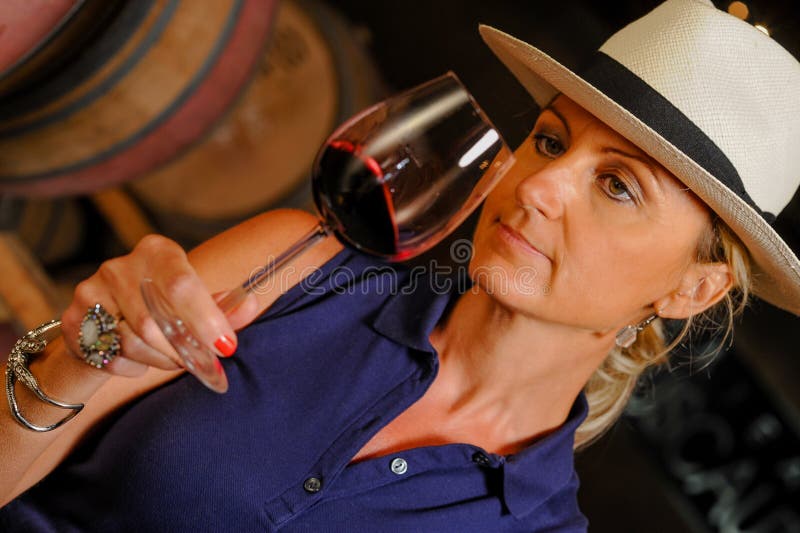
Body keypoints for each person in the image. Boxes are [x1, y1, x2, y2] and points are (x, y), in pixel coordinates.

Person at [2, 0, 799, 530]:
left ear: (693, 288)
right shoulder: (298, 263)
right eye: (550, 140)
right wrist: (77, 355)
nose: (541, 184)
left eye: (618, 186)